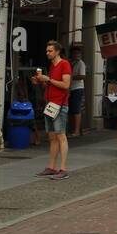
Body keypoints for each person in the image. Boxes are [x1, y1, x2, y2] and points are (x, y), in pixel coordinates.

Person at [32, 40, 72, 180]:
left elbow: (66, 85)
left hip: (60, 105)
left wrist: (47, 80)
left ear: (57, 51)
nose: (47, 53)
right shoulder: (52, 66)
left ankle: (63, 169)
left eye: (50, 51)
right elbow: (52, 85)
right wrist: (41, 81)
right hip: (51, 104)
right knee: (52, 136)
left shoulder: (64, 64)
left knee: (61, 135)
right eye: (47, 50)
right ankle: (52, 167)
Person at [68, 44, 87, 136]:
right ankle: (72, 129)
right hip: (70, 88)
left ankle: (77, 131)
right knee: (71, 110)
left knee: (76, 109)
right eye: (75, 53)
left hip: (77, 88)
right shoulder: (70, 62)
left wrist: (71, 77)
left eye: (78, 53)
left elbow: (83, 76)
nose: (77, 55)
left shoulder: (81, 63)